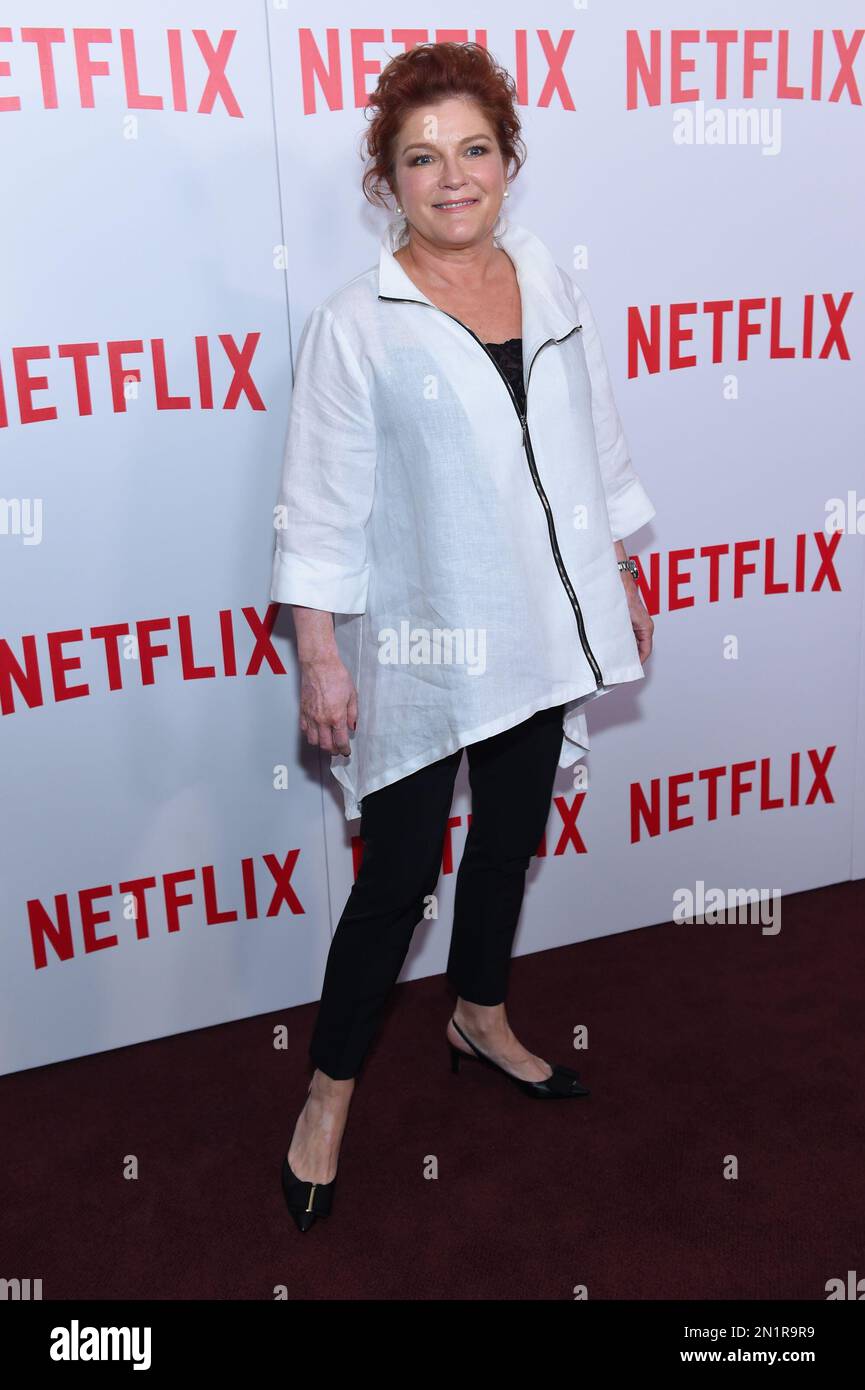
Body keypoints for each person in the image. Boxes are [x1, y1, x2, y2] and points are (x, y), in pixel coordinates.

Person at [270, 42, 656, 1232]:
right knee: (397, 881)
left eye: (473, 150)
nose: (453, 178)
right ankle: (327, 1095)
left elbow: (589, 436)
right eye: (421, 157)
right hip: (428, 643)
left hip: (542, 619)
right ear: (387, 180)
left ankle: (478, 1011)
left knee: (508, 840)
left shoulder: (547, 278)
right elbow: (319, 505)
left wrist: (620, 570)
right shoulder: (356, 323)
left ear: (509, 160)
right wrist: (320, 653)